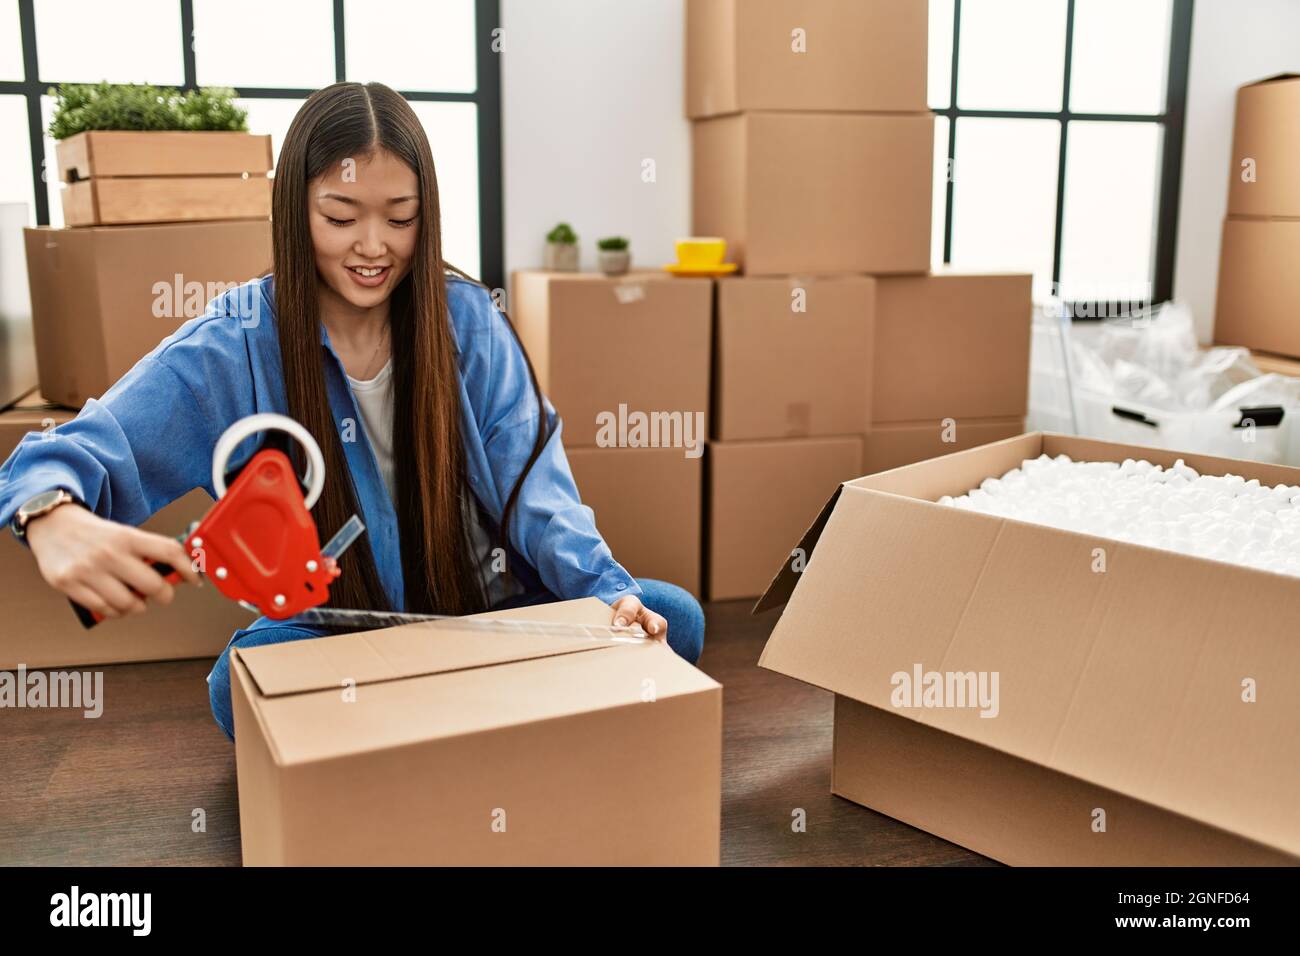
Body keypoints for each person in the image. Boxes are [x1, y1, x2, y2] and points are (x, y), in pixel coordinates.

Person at [0, 82, 704, 741]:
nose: (374, 247)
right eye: (340, 217)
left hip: (486, 619)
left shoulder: (469, 320)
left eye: (401, 218)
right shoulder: (236, 340)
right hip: (340, 641)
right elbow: (84, 448)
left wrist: (606, 592)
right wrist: (50, 515)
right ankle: (481, 723)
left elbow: (540, 494)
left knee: (669, 617)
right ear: (295, 210)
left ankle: (414, 732)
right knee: (241, 687)